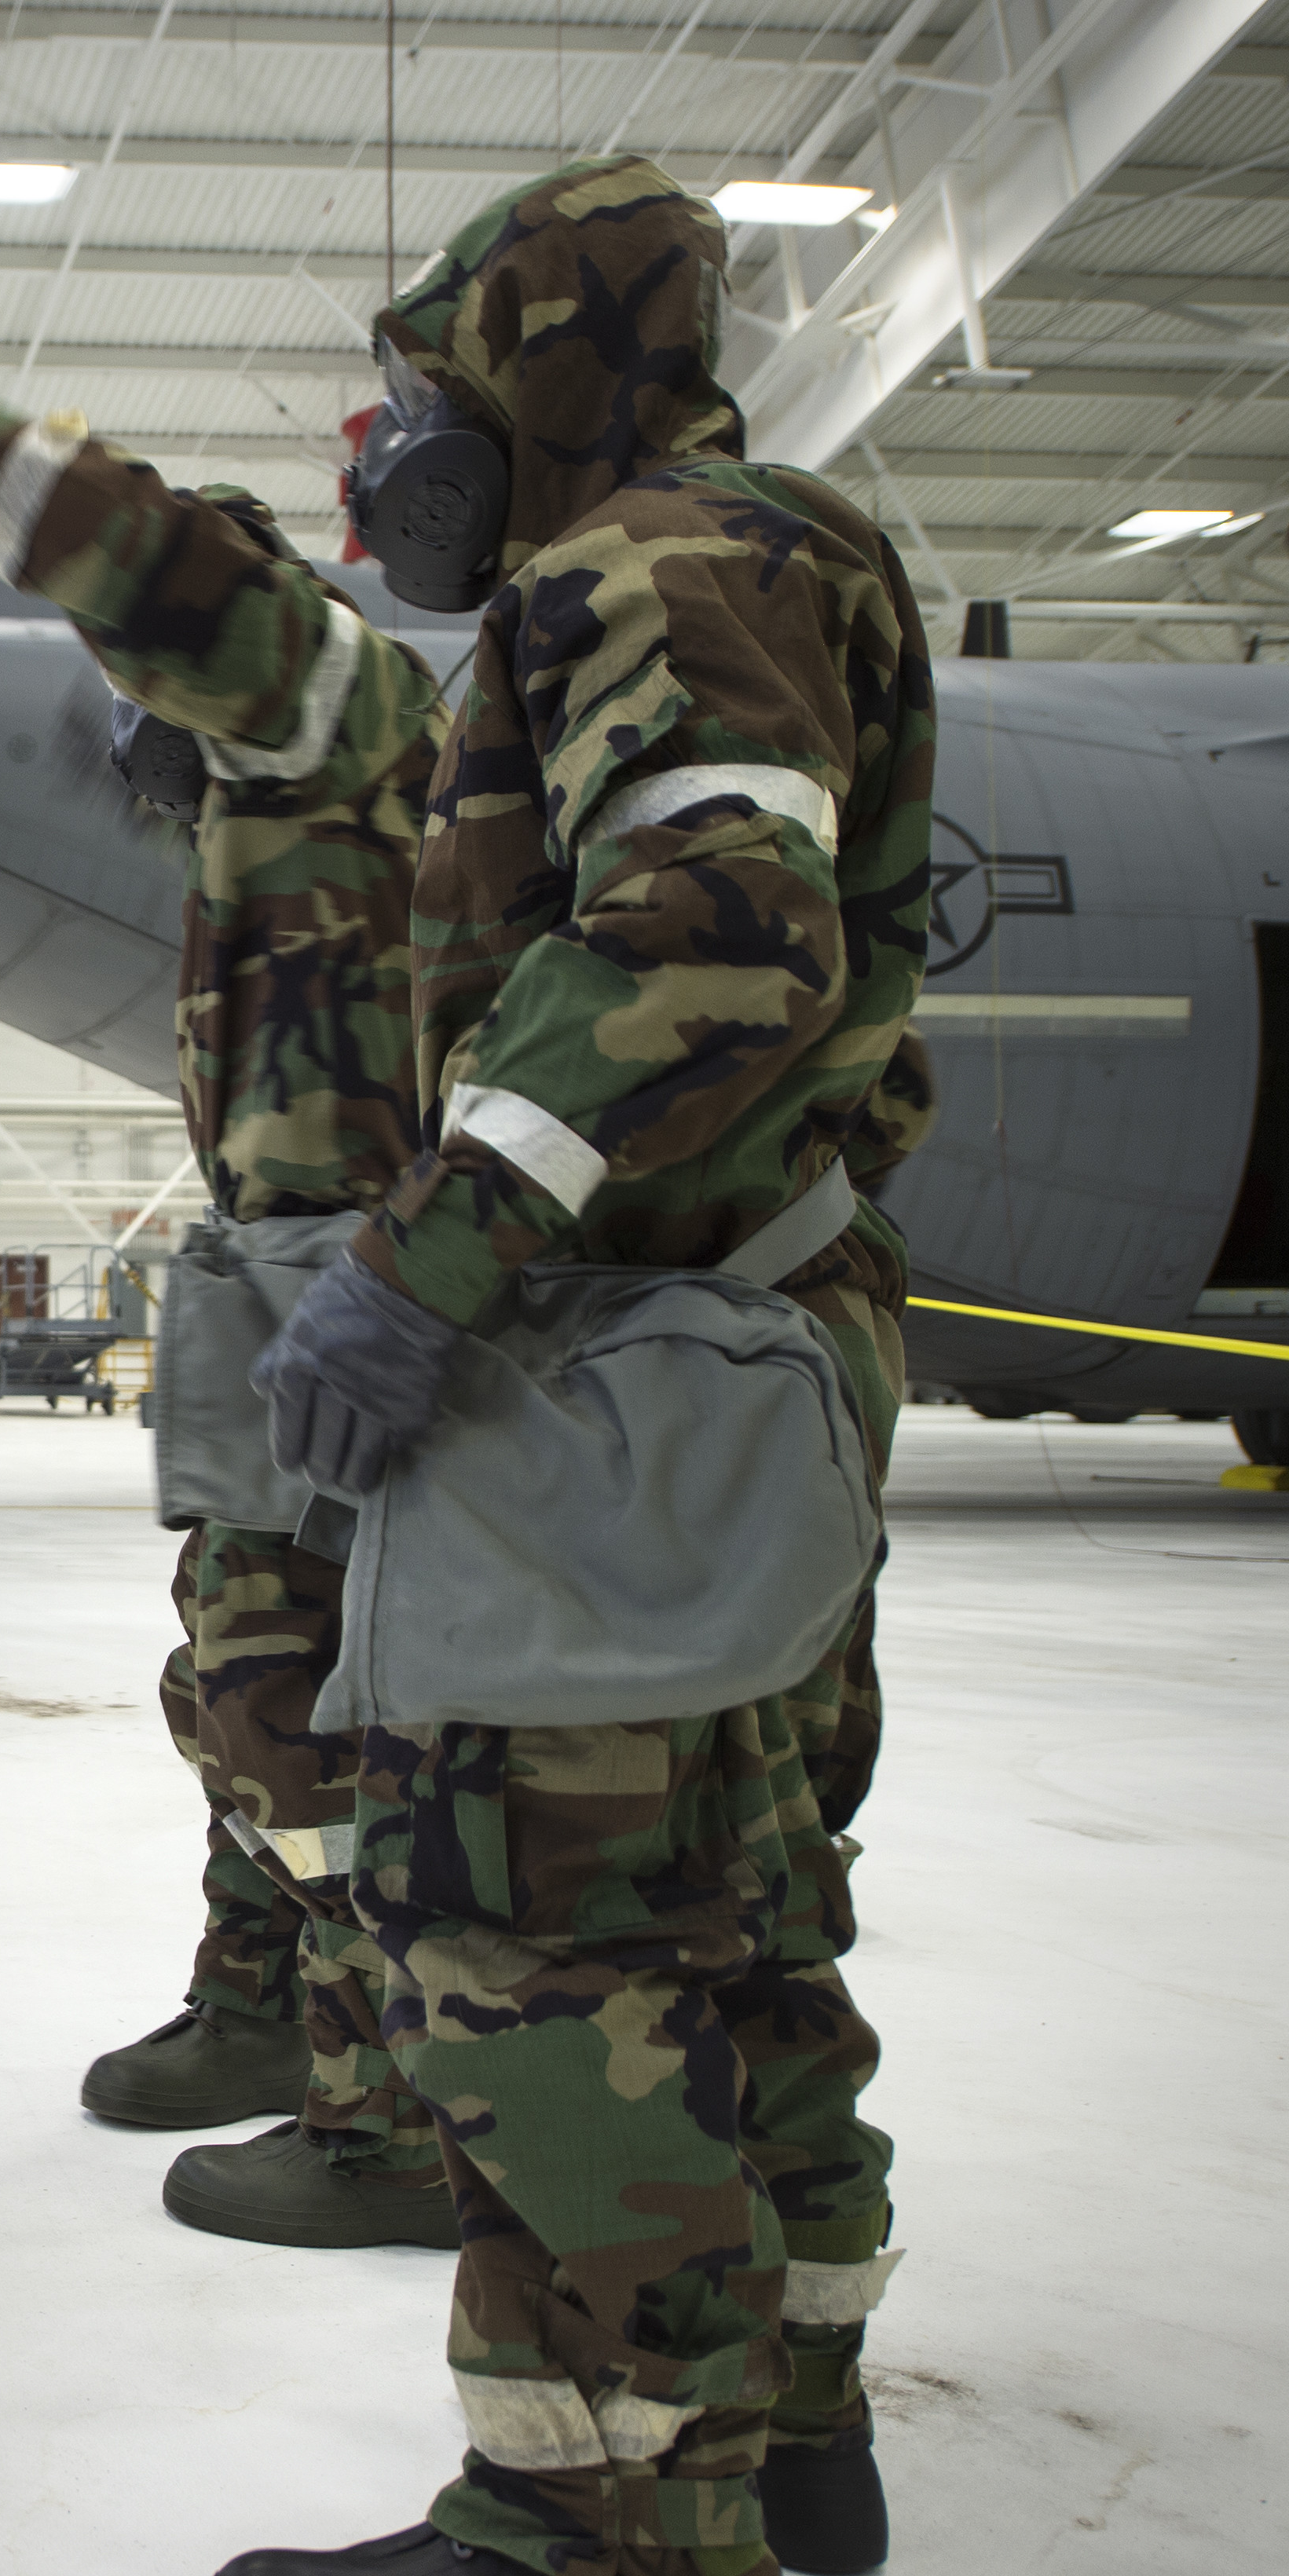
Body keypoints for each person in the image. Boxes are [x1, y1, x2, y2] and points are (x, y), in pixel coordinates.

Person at [222, 156, 931, 2576]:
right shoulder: (786, 550)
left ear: (522, 374)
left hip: (617, 1373)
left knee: (534, 1943)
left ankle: (600, 2522)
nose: (386, 453)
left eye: (416, 393)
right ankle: (795, 2446)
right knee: (751, 1921)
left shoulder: (640, 564)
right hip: (751, 1354)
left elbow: (724, 928)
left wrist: (427, 1260)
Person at [0, 363, 452, 2249]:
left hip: (365, 1292)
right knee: (228, 1673)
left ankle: (397, 2108)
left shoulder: (341, 709)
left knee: (303, 1697)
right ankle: (262, 2001)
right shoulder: (246, 825)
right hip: (277, 1285)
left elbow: (173, 578)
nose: (129, 723)